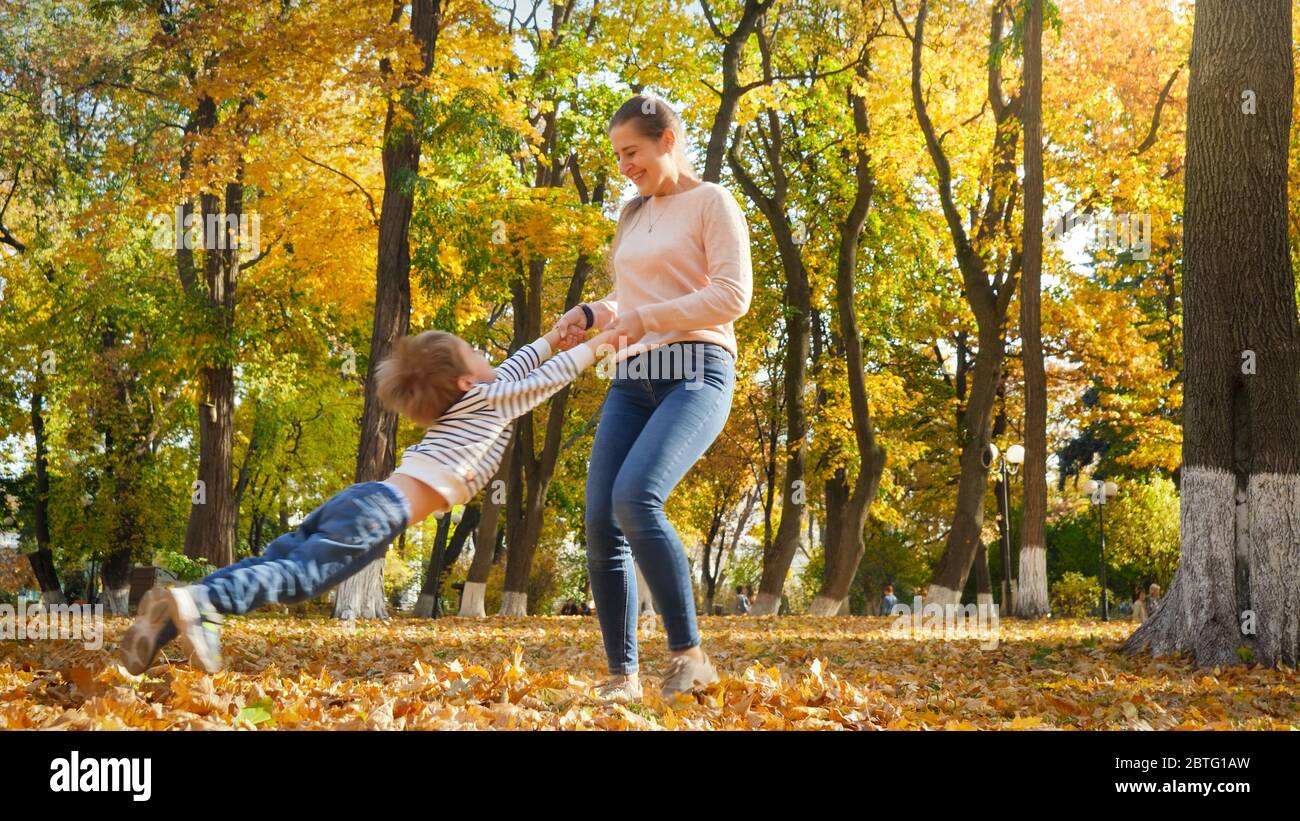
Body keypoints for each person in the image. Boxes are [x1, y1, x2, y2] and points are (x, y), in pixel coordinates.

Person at [118, 324, 621, 674]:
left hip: (363, 497)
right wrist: (599, 344)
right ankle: (199, 601)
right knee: (295, 580)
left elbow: (514, 370)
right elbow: (542, 382)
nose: (490, 358)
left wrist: (554, 337)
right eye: (478, 353)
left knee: (274, 561)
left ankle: (161, 625)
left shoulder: (475, 397)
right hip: (376, 518)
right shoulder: (489, 401)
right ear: (467, 381)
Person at [550, 94, 752, 704]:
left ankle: (690, 657)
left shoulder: (713, 202)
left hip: (698, 370)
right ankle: (622, 674)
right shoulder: (631, 214)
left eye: (632, 152)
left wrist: (647, 318)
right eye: (617, 156)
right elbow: (626, 298)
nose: (624, 166)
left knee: (636, 497)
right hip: (631, 377)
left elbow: (731, 295)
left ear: (668, 140)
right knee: (599, 519)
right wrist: (590, 313)